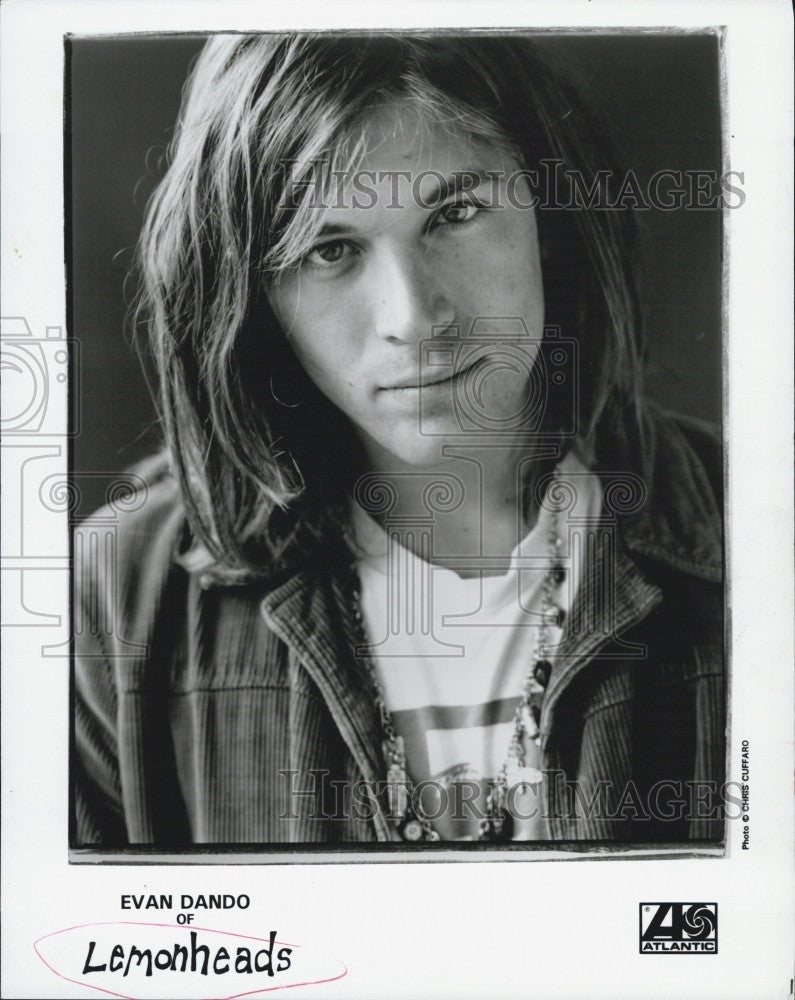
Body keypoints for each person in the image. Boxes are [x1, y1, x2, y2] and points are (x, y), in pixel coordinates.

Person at [73, 33, 724, 847]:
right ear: (249, 294)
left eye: (455, 214)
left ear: (547, 218)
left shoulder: (758, 537)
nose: (415, 318)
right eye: (331, 249)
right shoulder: (118, 597)